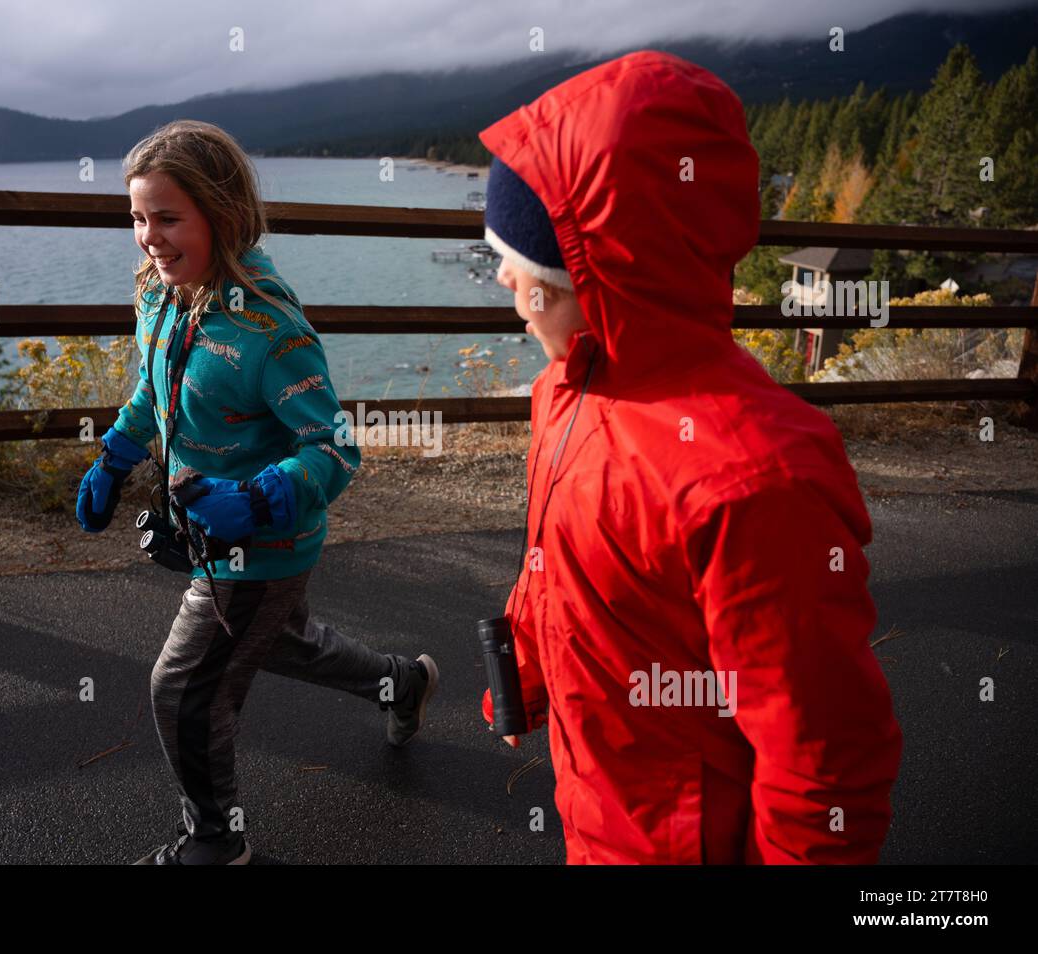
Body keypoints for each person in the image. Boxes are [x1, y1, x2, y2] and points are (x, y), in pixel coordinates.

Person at [478, 51, 902, 864]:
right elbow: (553, 563)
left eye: (534, 275)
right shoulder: (569, 392)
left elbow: (825, 761)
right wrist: (527, 669)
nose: (503, 279)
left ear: (611, 279)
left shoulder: (754, 480)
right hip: (602, 808)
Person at [75, 119, 439, 865]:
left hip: (261, 546)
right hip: (211, 535)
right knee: (286, 643)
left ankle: (215, 842)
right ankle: (400, 684)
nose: (148, 235)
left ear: (224, 214)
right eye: (138, 216)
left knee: (183, 690)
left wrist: (257, 503)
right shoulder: (161, 294)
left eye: (168, 217)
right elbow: (154, 389)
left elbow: (335, 450)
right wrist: (113, 458)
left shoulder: (271, 329)